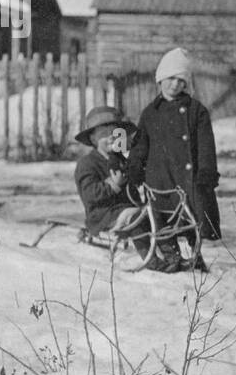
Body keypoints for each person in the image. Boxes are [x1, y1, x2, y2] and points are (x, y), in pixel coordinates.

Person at [127, 48, 221, 269]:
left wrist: (206, 171)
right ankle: (171, 253)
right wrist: (134, 167)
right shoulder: (150, 112)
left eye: (181, 80)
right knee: (161, 215)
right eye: (170, 78)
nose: (175, 85)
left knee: (191, 216)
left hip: (187, 175)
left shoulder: (196, 110)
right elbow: (141, 145)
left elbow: (206, 145)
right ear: (160, 79)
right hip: (159, 175)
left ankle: (194, 252)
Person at [74, 106, 183, 271]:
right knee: (136, 217)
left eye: (115, 133)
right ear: (93, 139)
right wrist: (113, 185)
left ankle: (173, 256)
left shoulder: (121, 159)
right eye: (104, 135)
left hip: (125, 208)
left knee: (155, 212)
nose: (111, 138)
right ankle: (152, 260)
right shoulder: (87, 164)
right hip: (103, 214)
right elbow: (89, 194)